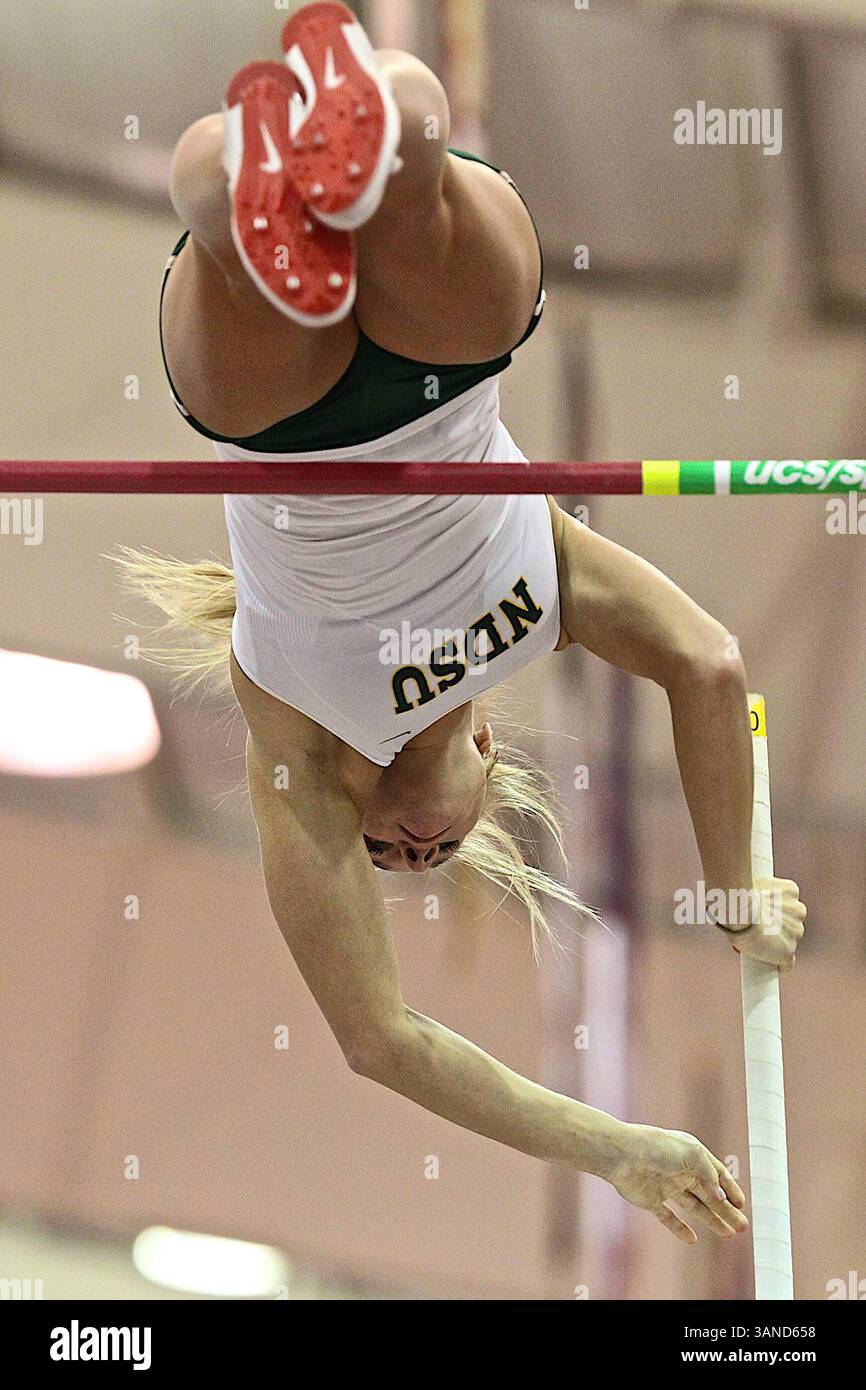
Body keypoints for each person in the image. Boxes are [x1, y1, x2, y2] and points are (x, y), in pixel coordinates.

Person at [139, 2, 806, 1246]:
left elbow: (378, 1039)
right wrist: (732, 894)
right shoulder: (538, 605)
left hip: (274, 429)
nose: (396, 854)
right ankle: (367, 138)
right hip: (448, 375)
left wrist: (612, 1149)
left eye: (383, 863)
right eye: (430, 858)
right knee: (417, 186)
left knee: (221, 229)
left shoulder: (291, 740)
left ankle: (258, 175)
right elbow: (708, 665)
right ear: (490, 752)